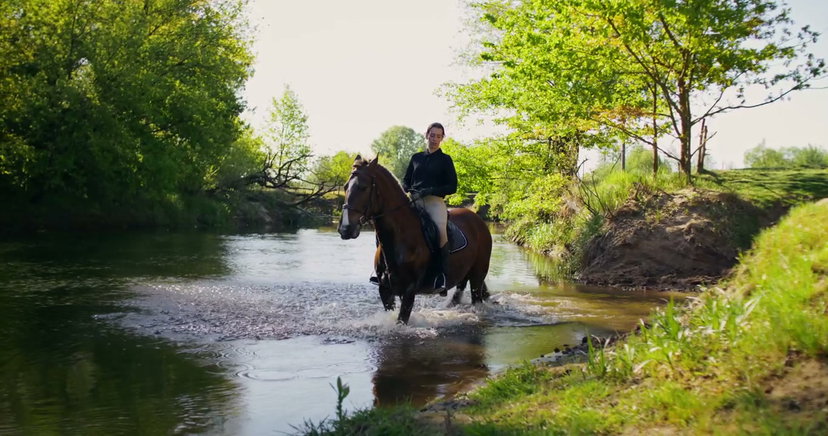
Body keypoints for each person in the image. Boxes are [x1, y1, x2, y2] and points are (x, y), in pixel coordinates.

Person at [402, 122, 458, 291]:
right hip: (414, 201)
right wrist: (406, 188)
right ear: (426, 135)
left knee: (441, 233)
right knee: (391, 225)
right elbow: (406, 179)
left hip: (434, 202)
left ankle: (441, 275)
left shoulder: (445, 160)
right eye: (432, 135)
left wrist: (431, 190)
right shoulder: (416, 157)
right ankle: (383, 269)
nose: (434, 139)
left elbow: (452, 186)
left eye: (438, 136)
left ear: (442, 139)